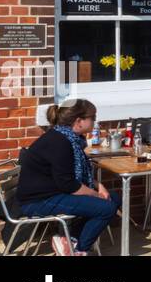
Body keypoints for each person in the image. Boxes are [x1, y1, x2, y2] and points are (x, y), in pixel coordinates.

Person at [17, 99, 120, 256]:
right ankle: (79, 250)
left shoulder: (69, 139)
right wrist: (96, 195)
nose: (94, 121)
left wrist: (99, 186)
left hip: (54, 191)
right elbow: (68, 184)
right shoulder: (60, 142)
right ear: (79, 121)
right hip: (38, 200)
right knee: (106, 208)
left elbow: (69, 175)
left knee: (113, 198)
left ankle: (69, 240)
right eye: (92, 117)